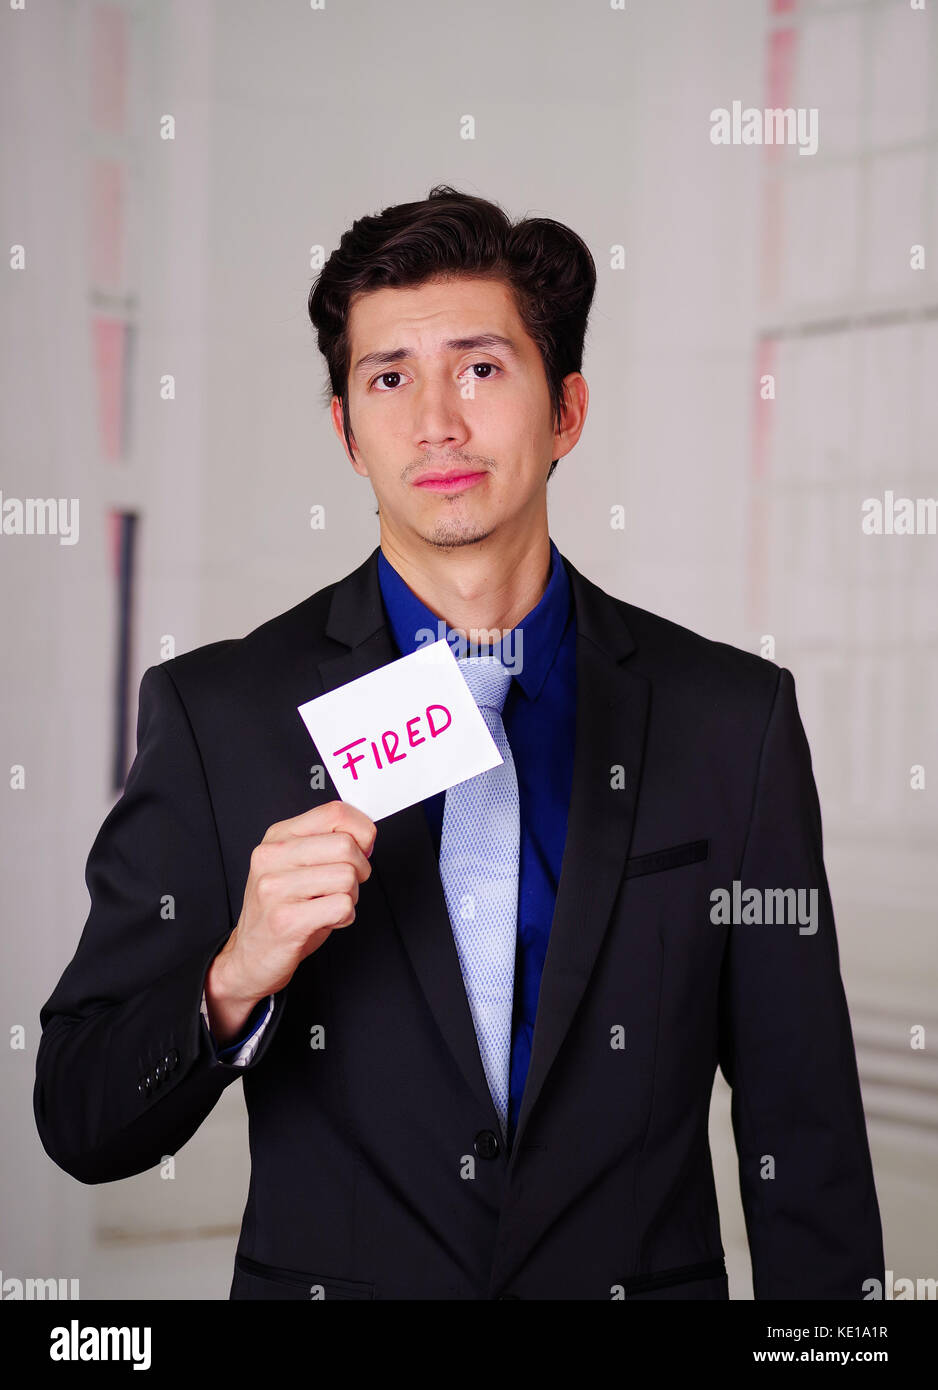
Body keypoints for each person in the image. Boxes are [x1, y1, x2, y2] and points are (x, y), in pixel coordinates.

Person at [34, 186, 884, 1300]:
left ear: (565, 410)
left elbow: (804, 1136)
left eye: (479, 369)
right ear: (345, 429)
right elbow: (81, 1115)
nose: (435, 421)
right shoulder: (220, 716)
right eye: (389, 378)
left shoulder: (732, 720)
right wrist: (234, 976)